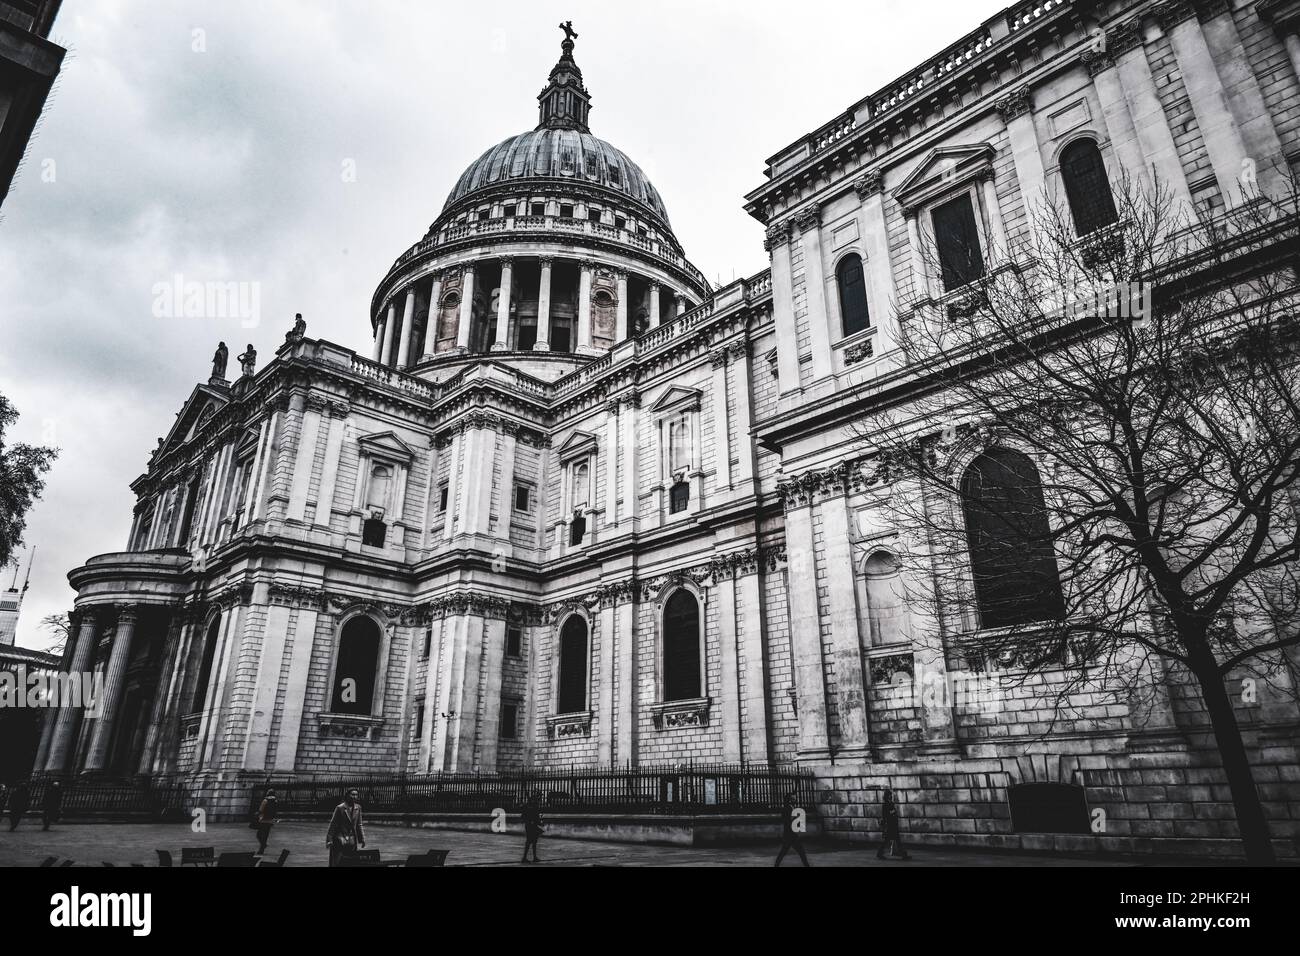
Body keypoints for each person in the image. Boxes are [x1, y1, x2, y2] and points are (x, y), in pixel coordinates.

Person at [326, 788, 365, 867]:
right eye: (352, 794)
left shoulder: (358, 808)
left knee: (350, 862)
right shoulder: (340, 808)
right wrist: (329, 840)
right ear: (347, 795)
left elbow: (359, 824)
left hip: (352, 840)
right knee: (337, 862)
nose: (354, 797)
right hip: (339, 839)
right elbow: (333, 824)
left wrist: (362, 839)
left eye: (356, 795)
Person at [774, 792, 811, 867]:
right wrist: (795, 818)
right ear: (790, 800)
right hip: (790, 834)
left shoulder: (791, 807)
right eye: (794, 798)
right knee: (799, 851)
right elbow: (786, 820)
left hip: (791, 834)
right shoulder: (787, 808)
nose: (795, 799)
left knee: (797, 851)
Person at [877, 788, 911, 860]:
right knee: (891, 840)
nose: (891, 796)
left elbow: (892, 813)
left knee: (892, 840)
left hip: (892, 824)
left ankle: (903, 855)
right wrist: (892, 813)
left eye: (891, 795)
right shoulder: (886, 804)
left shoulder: (889, 803)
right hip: (890, 825)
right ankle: (903, 855)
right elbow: (886, 814)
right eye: (889, 795)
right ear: (887, 796)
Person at [520, 794, 543, 864]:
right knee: (532, 842)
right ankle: (527, 858)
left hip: (529, 825)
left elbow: (523, 817)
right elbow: (536, 817)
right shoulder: (534, 806)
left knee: (531, 842)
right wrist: (540, 822)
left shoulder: (527, 806)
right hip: (532, 826)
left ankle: (531, 857)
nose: (539, 801)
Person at [254, 788, 278, 855]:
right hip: (270, 820)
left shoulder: (265, 800)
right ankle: (262, 849)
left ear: (268, 793)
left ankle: (263, 845)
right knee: (265, 835)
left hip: (263, 820)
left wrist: (257, 814)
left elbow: (261, 810)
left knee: (259, 835)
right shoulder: (275, 801)